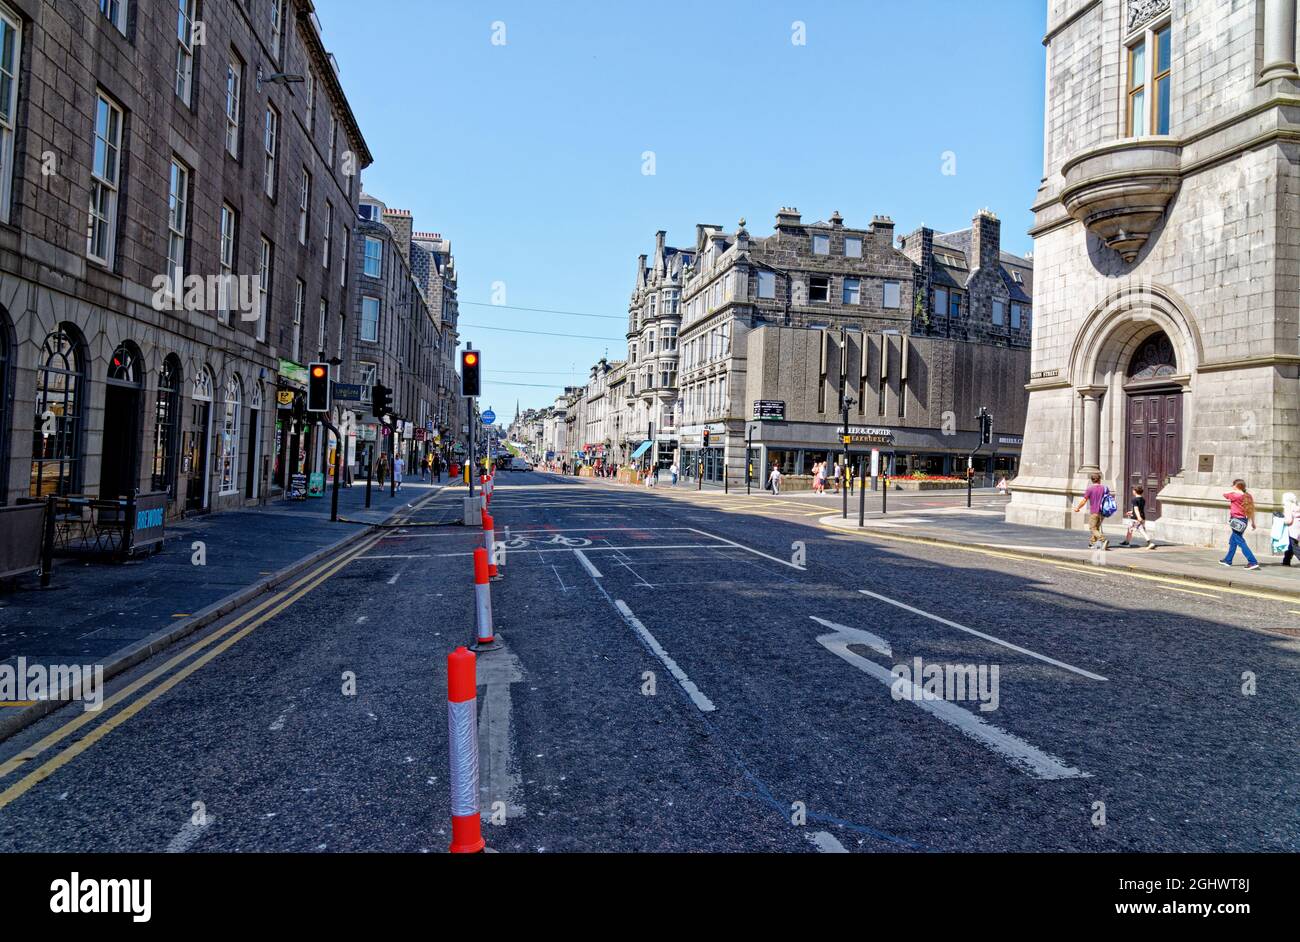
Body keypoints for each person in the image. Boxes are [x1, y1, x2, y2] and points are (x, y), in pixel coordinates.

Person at [1220, 478, 1260, 570]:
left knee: (1240, 541)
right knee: (1233, 540)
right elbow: (1251, 510)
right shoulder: (1248, 496)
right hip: (1243, 521)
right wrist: (1253, 523)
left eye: (1233, 485)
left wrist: (1234, 490)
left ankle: (1252, 561)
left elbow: (1224, 494)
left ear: (1237, 486)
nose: (1232, 486)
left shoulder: (1234, 495)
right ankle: (1228, 560)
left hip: (1236, 521)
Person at [1072, 472, 1108, 549]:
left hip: (1094, 511)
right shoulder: (1104, 488)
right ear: (1099, 480)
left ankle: (1103, 539)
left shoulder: (1090, 489)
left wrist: (1078, 507)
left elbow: (1084, 500)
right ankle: (1092, 543)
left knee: (1092, 528)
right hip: (1102, 512)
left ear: (1092, 480)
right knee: (1096, 528)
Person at [1282, 492, 1300, 566]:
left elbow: (1289, 520)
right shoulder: (1297, 505)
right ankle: (1286, 561)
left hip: (1292, 528)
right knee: (1290, 544)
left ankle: (1286, 560)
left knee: (1293, 546)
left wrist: (1282, 521)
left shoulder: (1288, 506)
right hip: (1298, 527)